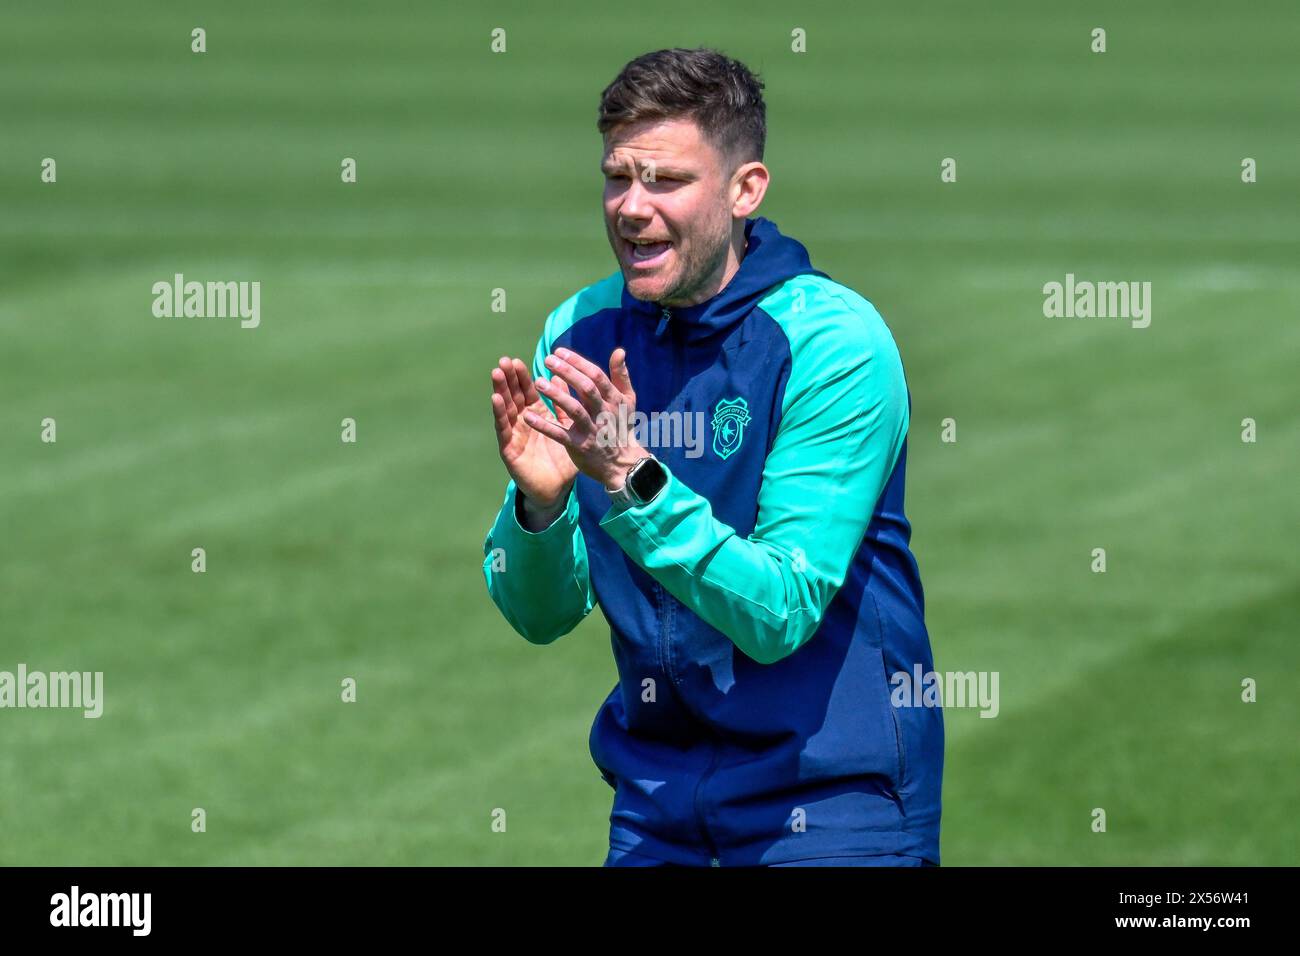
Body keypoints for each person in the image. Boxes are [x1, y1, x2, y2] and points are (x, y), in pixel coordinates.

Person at [483, 47, 942, 866]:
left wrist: (631, 479)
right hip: (657, 807)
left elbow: (782, 611)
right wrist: (542, 511)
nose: (630, 207)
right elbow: (540, 615)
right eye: (617, 176)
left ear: (745, 190)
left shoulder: (833, 346)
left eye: (665, 181)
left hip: (830, 808)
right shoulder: (582, 335)